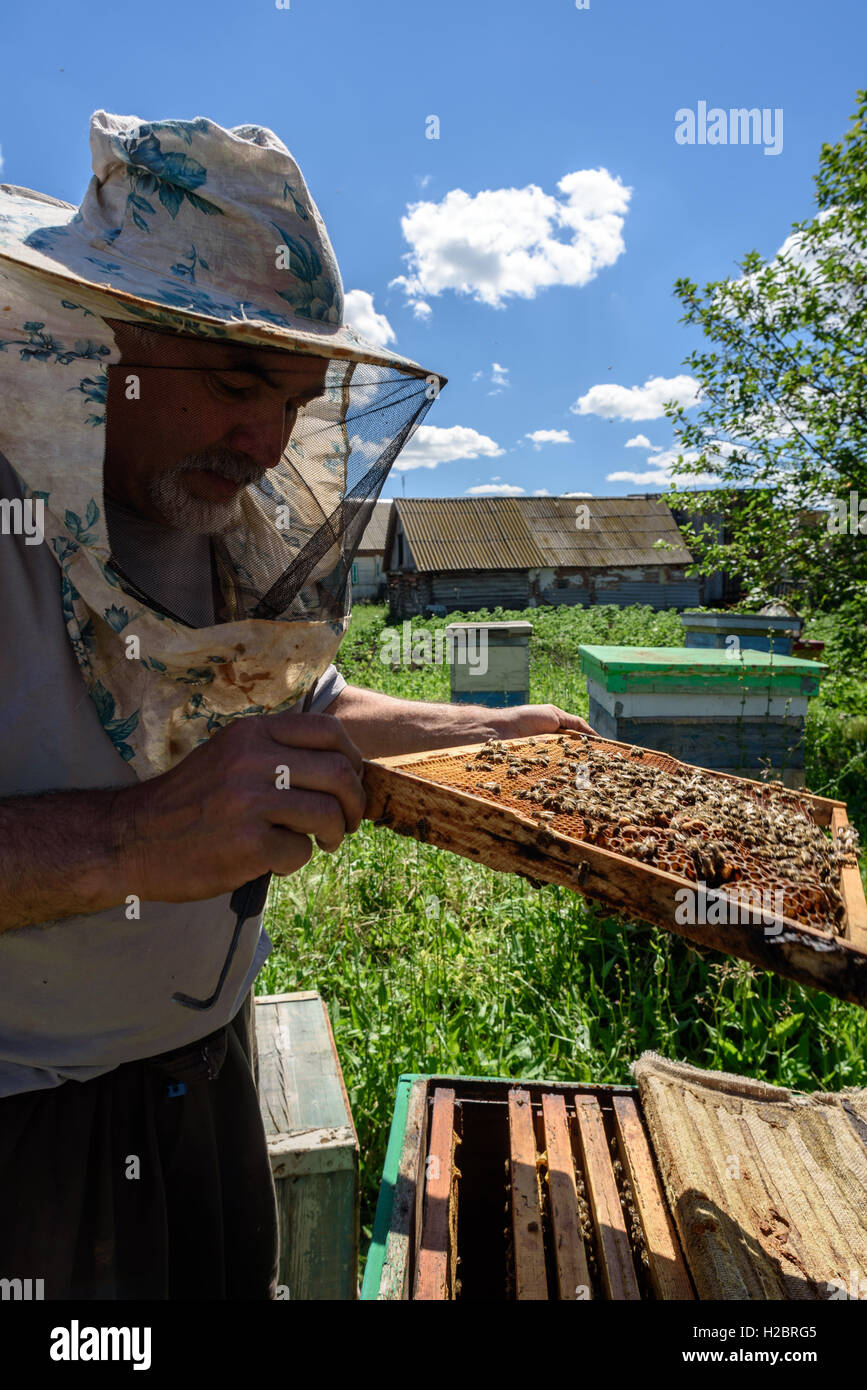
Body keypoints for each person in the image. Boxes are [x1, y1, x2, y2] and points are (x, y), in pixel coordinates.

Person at [0, 110, 590, 1299]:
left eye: (294, 400)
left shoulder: (219, 516)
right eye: (234, 381)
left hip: (205, 1081)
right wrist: (132, 841)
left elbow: (302, 701)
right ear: (95, 332)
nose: (266, 441)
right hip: (26, 1135)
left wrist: (489, 734)